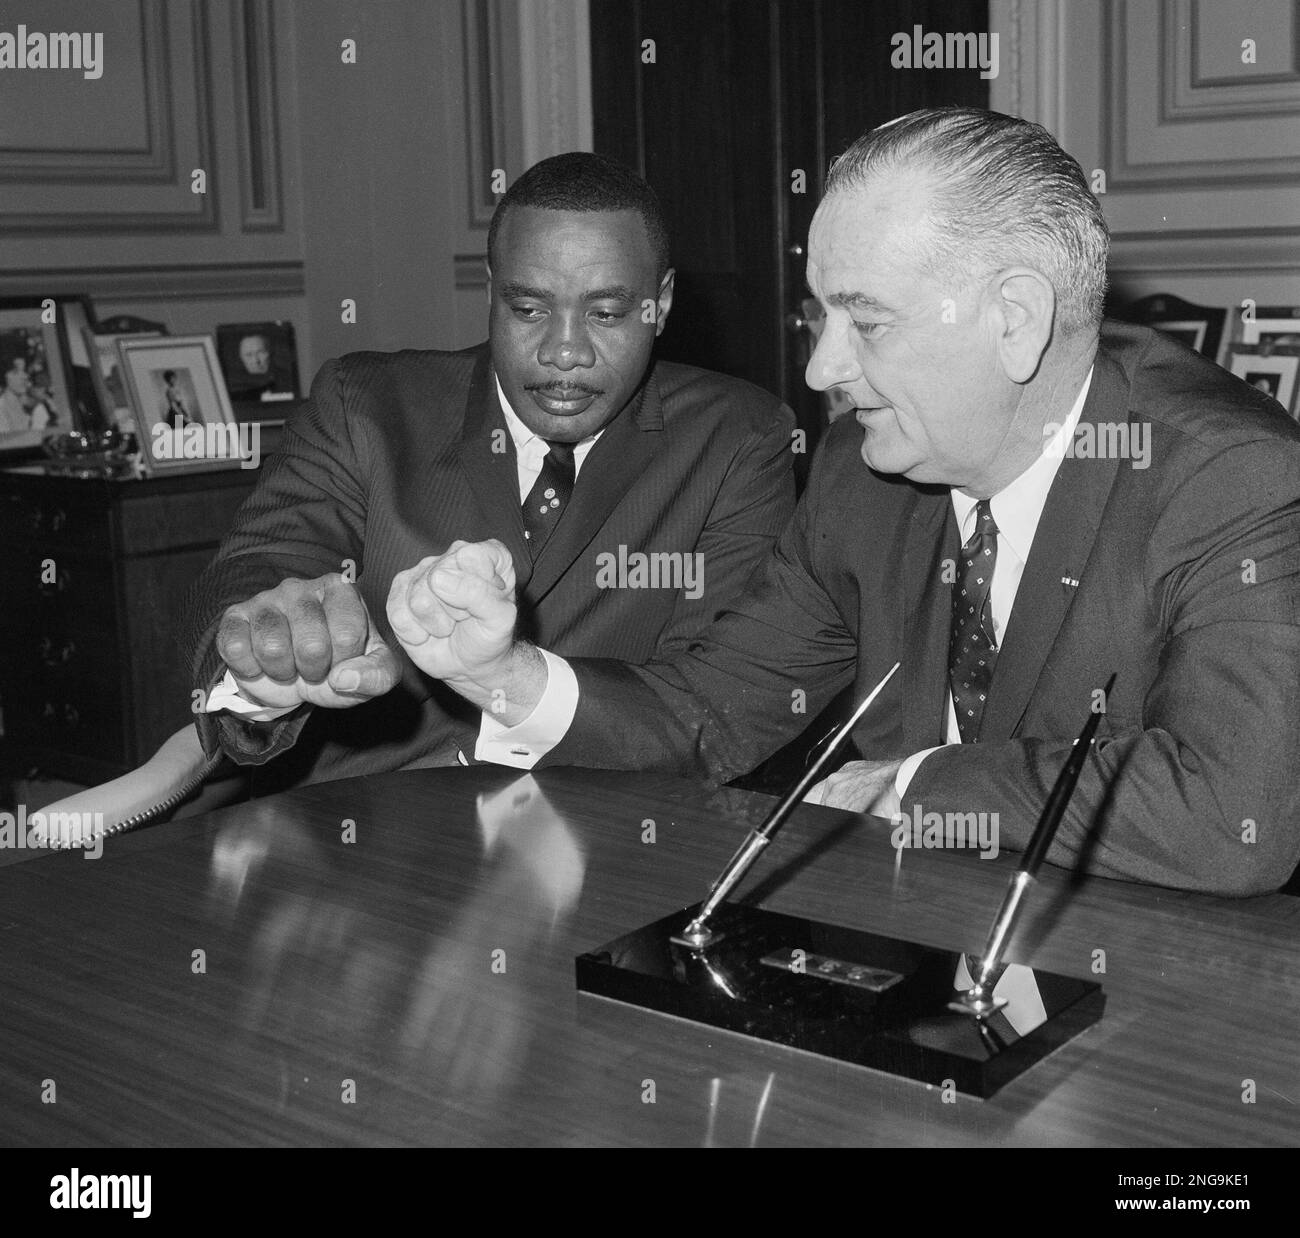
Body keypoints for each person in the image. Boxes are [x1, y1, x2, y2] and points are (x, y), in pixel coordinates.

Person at [391, 108, 1300, 897]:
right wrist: (500, 674)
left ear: (1015, 321)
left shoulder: (1232, 476)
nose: (823, 368)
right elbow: (712, 715)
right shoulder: (860, 475)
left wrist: (917, 787)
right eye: (822, 317)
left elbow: (1234, 815)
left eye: (865, 322)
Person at [182, 152, 796, 789]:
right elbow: (257, 567)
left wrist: (511, 676)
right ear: (492, 288)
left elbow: (711, 706)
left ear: (660, 304)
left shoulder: (738, 440)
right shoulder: (362, 406)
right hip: (351, 838)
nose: (565, 351)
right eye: (529, 309)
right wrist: (266, 655)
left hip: (604, 840)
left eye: (606, 314)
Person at [0, 348, 52, 434]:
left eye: (25, 370)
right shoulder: (1, 409)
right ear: (6, 376)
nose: (25, 376)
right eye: (16, 371)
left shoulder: (36, 406)